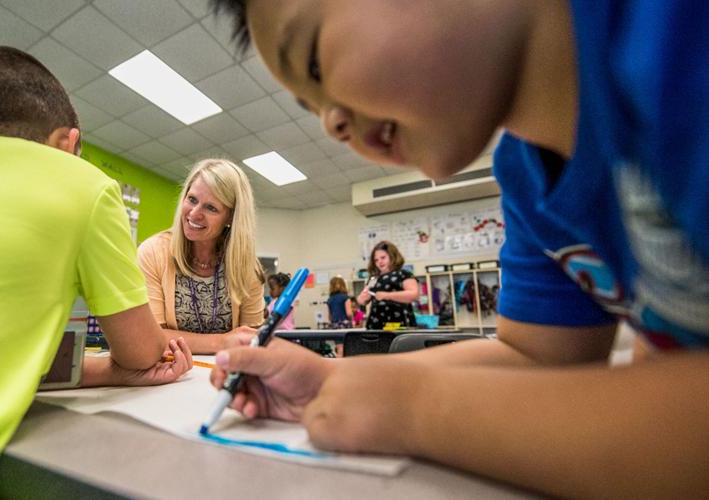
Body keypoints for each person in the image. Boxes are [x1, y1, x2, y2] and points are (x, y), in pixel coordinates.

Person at [208, 1, 709, 497]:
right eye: (309, 105)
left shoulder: (675, 32)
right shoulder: (526, 175)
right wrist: (331, 383)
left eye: (314, 62)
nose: (330, 123)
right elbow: (535, 355)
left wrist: (417, 409)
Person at [0, 46, 192, 499]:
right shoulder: (83, 184)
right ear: (67, 143)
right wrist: (130, 363)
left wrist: (104, 371)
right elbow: (143, 352)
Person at [137, 159, 265, 354]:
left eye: (211, 208)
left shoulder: (246, 267)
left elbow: (251, 341)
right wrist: (222, 342)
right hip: (170, 376)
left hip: (224, 375)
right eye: (192, 199)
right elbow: (151, 336)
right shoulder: (153, 252)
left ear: (231, 217)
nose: (194, 214)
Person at [357, 241, 420, 330]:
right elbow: (362, 299)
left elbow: (414, 294)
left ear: (393, 256)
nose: (380, 262)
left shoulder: (403, 274)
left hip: (398, 325)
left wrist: (387, 296)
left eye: (383, 257)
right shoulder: (373, 278)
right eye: (376, 260)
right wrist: (362, 298)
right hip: (376, 326)